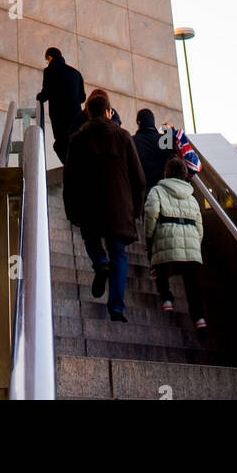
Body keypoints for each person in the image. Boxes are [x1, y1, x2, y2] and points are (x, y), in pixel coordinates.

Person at [63, 91, 146, 322]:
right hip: (119, 205)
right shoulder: (123, 136)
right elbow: (139, 178)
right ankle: (117, 308)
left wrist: (71, 209)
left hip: (89, 204)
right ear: (109, 112)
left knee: (91, 238)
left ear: (87, 112)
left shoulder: (78, 138)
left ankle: (100, 263)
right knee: (119, 254)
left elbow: (70, 179)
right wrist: (135, 209)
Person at [144, 155, 207, 329]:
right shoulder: (191, 197)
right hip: (191, 242)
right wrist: (195, 243)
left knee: (160, 265)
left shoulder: (157, 191)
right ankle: (199, 318)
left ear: (166, 173)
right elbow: (199, 224)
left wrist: (148, 235)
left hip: (166, 235)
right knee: (191, 282)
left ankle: (167, 299)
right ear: (184, 174)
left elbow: (151, 214)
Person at [36, 46, 85, 164]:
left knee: (61, 144)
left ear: (49, 57)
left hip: (59, 117)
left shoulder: (49, 71)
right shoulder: (76, 73)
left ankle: (70, 168)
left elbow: (46, 92)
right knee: (75, 142)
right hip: (76, 116)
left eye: (47, 60)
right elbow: (82, 98)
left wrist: (39, 98)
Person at [133, 109, 201, 189]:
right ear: (153, 122)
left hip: (142, 193)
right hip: (165, 189)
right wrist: (171, 133)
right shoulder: (165, 140)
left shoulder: (132, 141)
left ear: (138, 123)